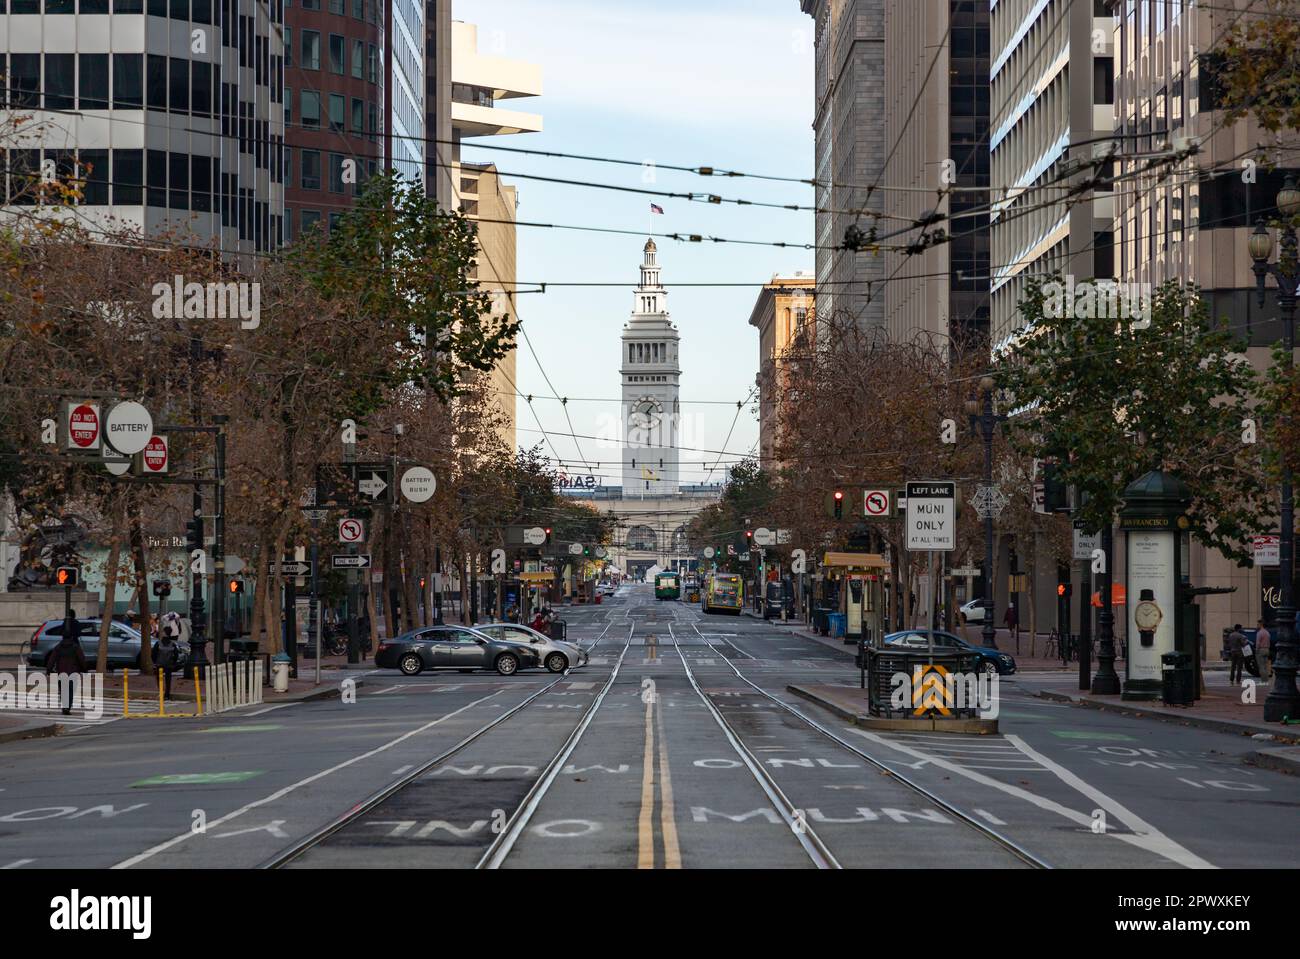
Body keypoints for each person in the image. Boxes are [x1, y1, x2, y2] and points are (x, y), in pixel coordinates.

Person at [46, 611, 88, 715]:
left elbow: (52, 658)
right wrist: (85, 669)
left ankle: (64, 707)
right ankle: (67, 708)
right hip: (73, 671)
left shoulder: (58, 647)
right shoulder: (75, 647)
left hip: (61, 671)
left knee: (63, 690)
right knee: (70, 690)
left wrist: (49, 669)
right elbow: (81, 659)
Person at [153, 629, 180, 701]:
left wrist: (155, 662)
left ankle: (161, 692)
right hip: (169, 664)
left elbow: (153, 654)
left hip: (159, 664)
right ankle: (167, 695)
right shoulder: (172, 644)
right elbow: (176, 655)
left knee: (159, 679)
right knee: (168, 680)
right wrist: (173, 662)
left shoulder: (158, 643)